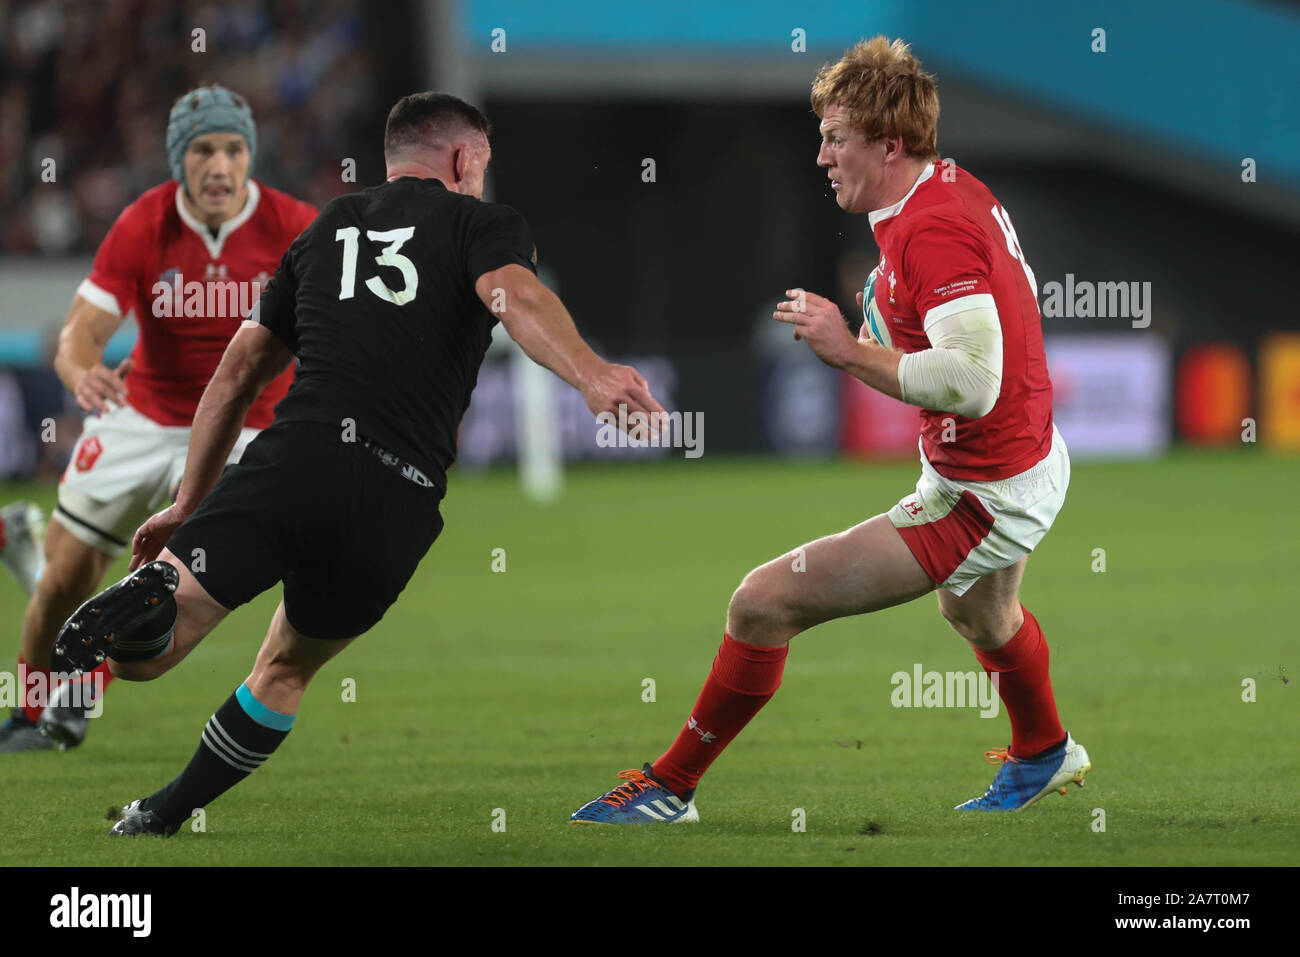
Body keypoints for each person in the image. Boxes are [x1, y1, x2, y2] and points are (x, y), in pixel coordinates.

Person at [51, 91, 664, 836]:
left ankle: (143, 601)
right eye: (483, 167)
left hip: (296, 458)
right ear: (463, 159)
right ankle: (165, 812)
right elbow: (516, 297)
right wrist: (593, 373)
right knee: (284, 668)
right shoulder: (483, 222)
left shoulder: (325, 229)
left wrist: (187, 505)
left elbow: (238, 372)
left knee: (150, 656)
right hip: (400, 499)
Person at [571, 36, 1089, 824]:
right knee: (980, 613)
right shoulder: (940, 192)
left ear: (888, 143)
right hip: (1024, 456)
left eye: (834, 137)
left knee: (761, 603)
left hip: (983, 486)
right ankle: (1046, 749)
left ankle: (670, 786)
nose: (820, 155)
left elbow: (975, 383)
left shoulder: (932, 226)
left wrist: (850, 351)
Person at [0, 84, 317, 753]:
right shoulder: (144, 222)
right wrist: (81, 368)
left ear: (249, 155)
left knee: (167, 593)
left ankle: (73, 701)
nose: (220, 166)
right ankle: (31, 713)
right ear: (181, 159)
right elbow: (80, 331)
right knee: (63, 583)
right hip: (141, 417)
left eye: (233, 149)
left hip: (241, 432)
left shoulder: (294, 226)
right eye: (204, 150)